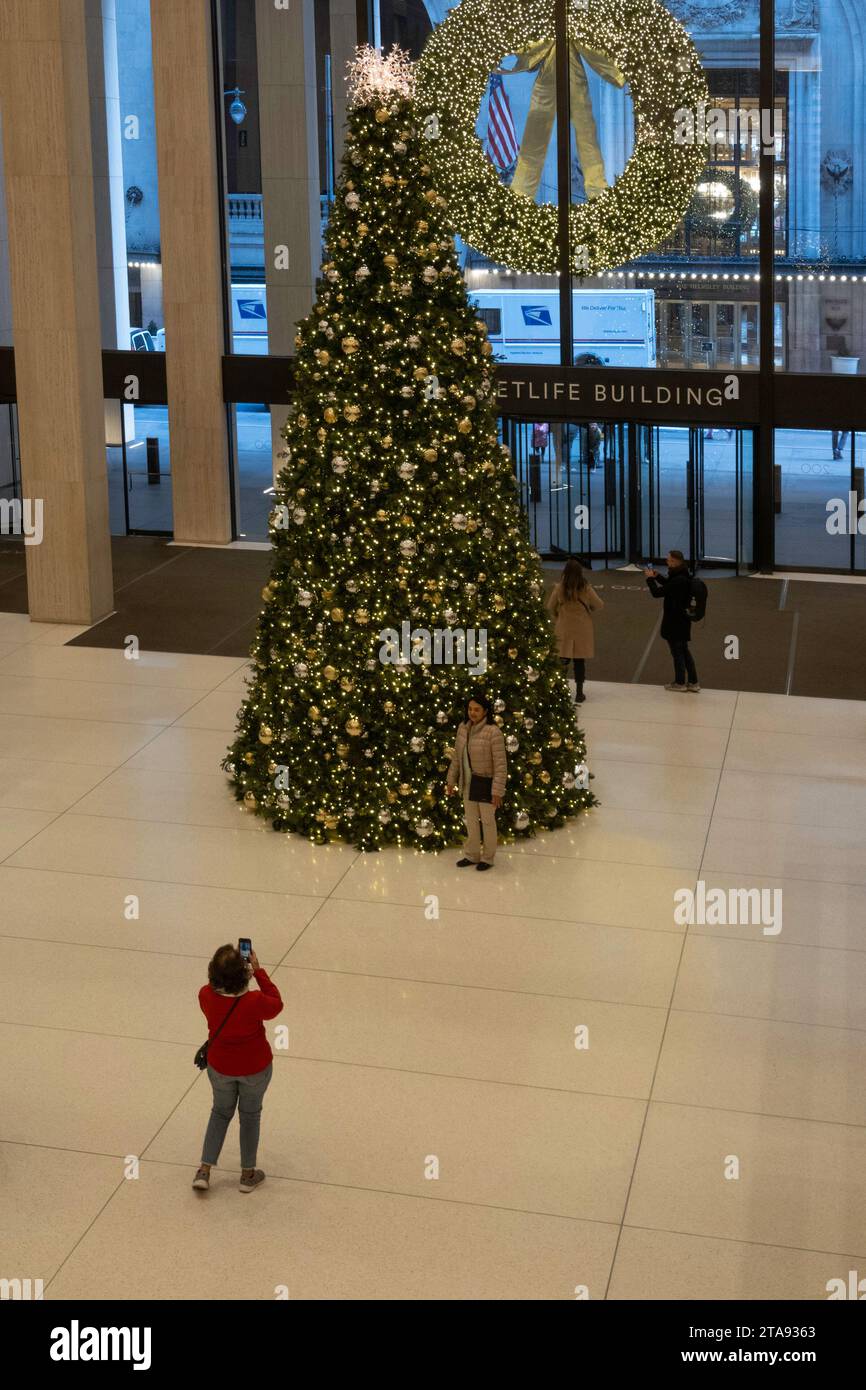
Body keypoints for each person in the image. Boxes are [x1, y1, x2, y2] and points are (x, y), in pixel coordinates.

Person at [193, 944, 283, 1194]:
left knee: (220, 1113)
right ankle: (247, 1174)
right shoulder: (255, 1001)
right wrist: (258, 971)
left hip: (220, 1067)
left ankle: (204, 1170)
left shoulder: (205, 995)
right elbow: (276, 1004)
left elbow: (213, 993)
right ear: (243, 975)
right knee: (250, 1115)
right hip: (255, 1068)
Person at [446, 691, 507, 871]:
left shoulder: (493, 732)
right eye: (470, 709)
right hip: (468, 783)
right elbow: (457, 758)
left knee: (488, 822)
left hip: (486, 784)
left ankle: (487, 858)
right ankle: (472, 855)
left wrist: (497, 791)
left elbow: (501, 765)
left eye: (477, 710)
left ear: (485, 711)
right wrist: (451, 781)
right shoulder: (463, 728)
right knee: (471, 820)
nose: (472, 713)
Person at [546, 557, 604, 703]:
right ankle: (579, 693)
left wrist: (558, 615)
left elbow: (550, 607)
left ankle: (560, 691)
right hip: (582, 629)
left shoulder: (559, 588)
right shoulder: (586, 588)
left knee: (562, 661)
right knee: (579, 662)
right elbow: (599, 605)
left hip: (564, 628)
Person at [644, 550, 701, 693]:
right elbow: (669, 585)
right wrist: (658, 577)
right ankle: (693, 682)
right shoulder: (682, 574)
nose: (666, 562)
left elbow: (657, 593)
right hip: (682, 620)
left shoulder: (678, 579)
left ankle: (680, 682)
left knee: (677, 653)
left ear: (675, 561)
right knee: (684, 651)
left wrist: (650, 579)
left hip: (675, 621)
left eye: (669, 560)